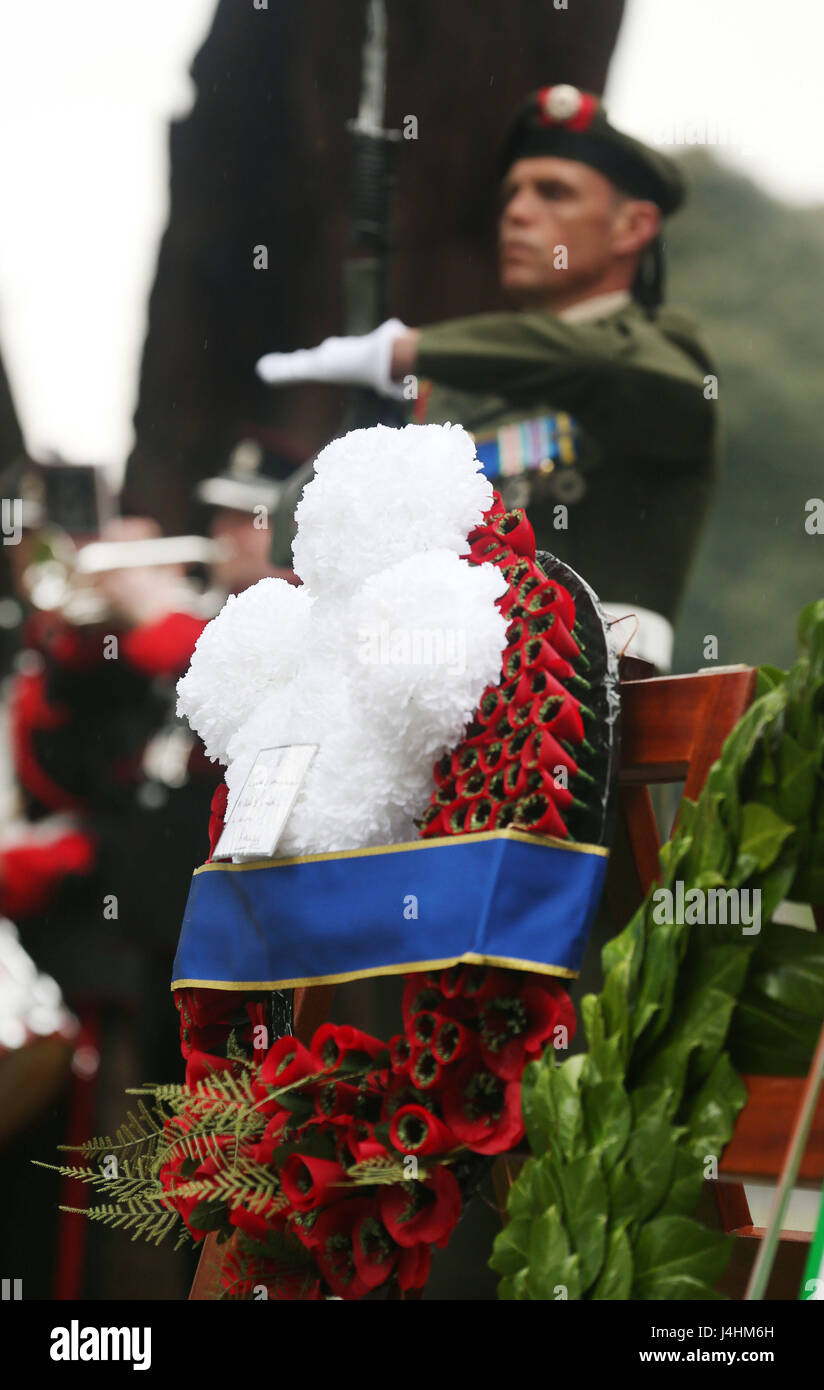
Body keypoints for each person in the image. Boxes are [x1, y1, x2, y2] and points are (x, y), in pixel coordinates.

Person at [255, 85, 719, 672]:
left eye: (554, 193)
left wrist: (407, 349)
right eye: (512, 195)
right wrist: (364, 435)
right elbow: (290, 530)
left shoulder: (662, 357)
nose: (518, 212)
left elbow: (596, 364)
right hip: (441, 687)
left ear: (633, 227)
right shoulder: (459, 383)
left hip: (590, 700)